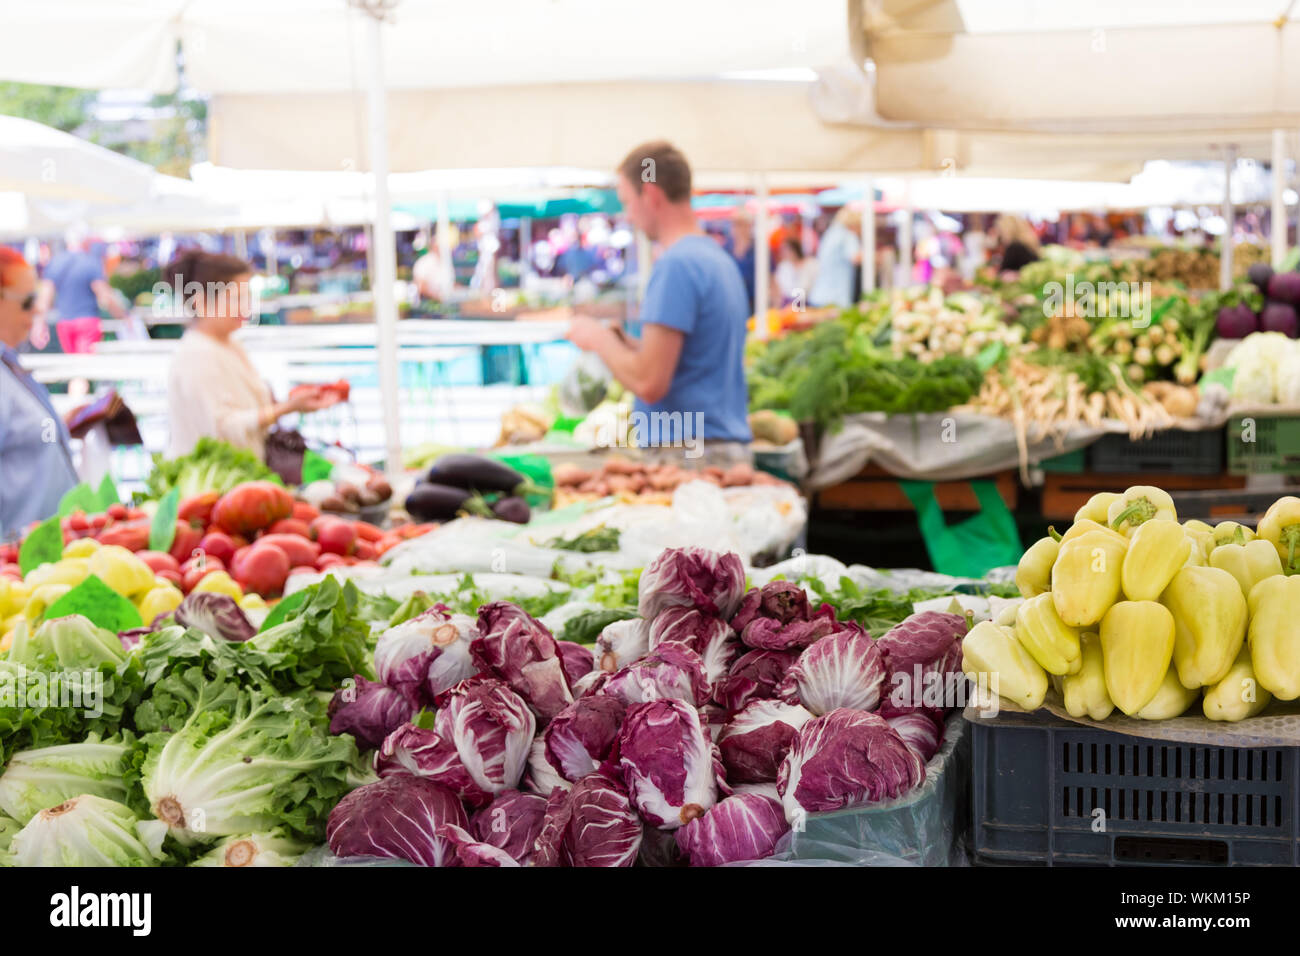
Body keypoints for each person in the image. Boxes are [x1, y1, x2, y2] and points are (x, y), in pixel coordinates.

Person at [566, 140, 752, 465]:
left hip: (690, 454)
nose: (627, 215)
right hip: (716, 449)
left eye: (627, 201)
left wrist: (597, 340)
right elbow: (695, 359)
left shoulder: (676, 265)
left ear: (650, 194)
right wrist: (629, 345)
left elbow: (649, 382)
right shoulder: (715, 259)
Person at [165, 250, 340, 459]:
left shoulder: (229, 344)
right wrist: (285, 409)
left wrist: (290, 404)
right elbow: (222, 429)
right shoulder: (196, 355)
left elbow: (248, 412)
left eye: (247, 297)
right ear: (200, 302)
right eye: (236, 298)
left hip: (242, 476)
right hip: (213, 484)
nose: (246, 308)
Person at [0, 248, 78, 538]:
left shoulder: (8, 362)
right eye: (27, 301)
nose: (36, 310)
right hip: (18, 566)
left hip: (40, 561)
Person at [34, 230, 127, 354]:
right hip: (88, 322)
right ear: (86, 241)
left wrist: (39, 323)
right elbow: (105, 296)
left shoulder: (55, 262)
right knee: (84, 368)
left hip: (64, 323)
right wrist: (123, 316)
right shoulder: (91, 262)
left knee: (74, 365)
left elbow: (45, 297)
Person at [809, 206, 863, 308]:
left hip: (819, 295)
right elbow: (855, 258)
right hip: (835, 299)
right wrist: (876, 257)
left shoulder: (831, 233)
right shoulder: (848, 235)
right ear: (855, 224)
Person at [724, 208, 757, 313]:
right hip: (731, 302)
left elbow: (771, 278)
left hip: (754, 303)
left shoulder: (758, 249)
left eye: (741, 224)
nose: (738, 228)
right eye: (735, 224)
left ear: (749, 225)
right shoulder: (726, 248)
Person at [773, 238, 816, 306]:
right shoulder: (783, 267)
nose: (785, 253)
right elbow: (778, 288)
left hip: (808, 302)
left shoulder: (810, 263)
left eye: (788, 250)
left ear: (795, 250)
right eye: (783, 250)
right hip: (787, 304)